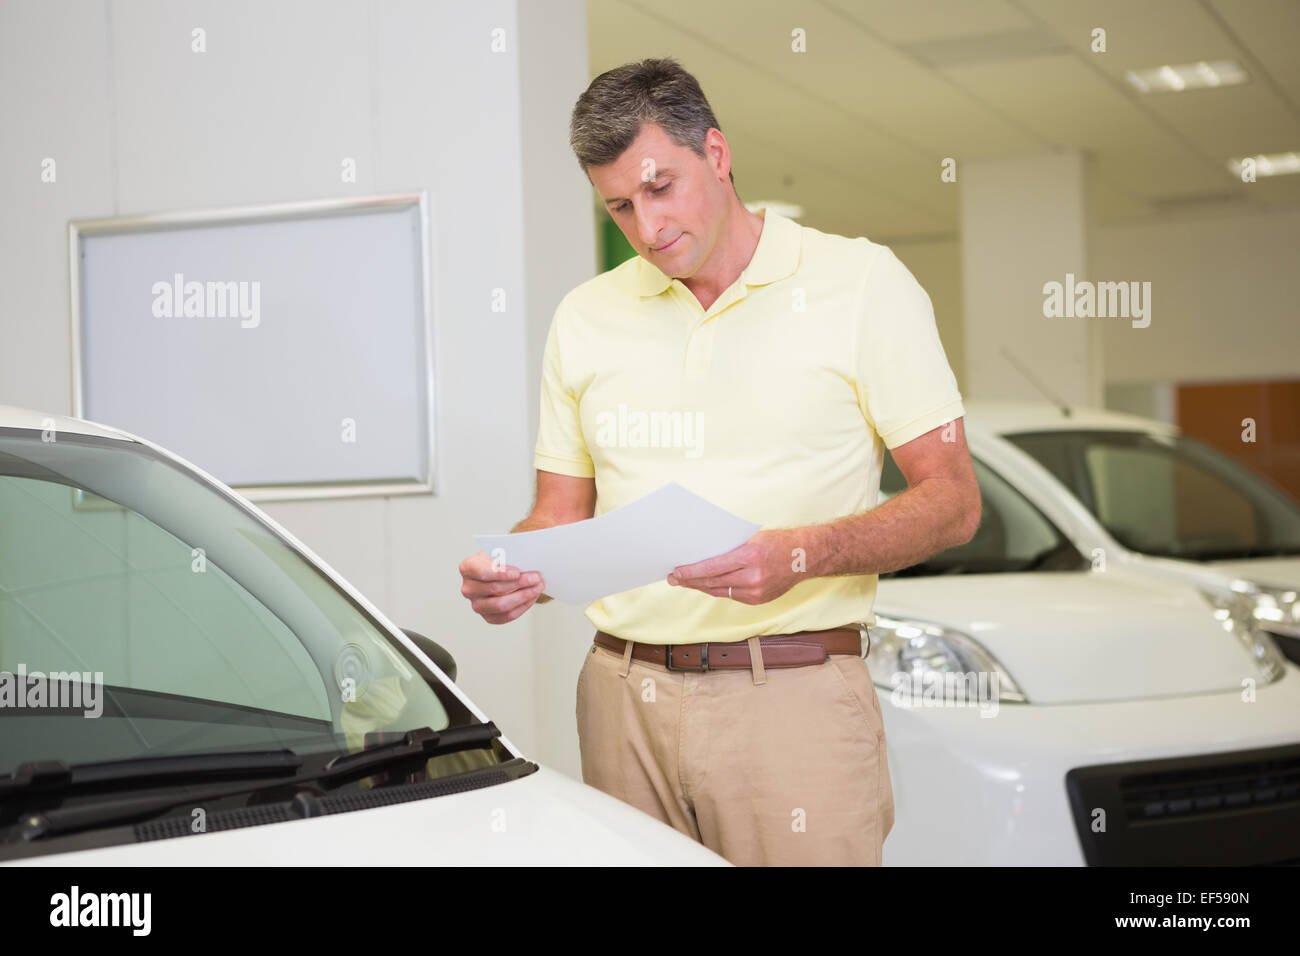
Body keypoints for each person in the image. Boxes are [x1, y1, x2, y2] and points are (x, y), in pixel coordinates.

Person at [458, 57, 980, 866]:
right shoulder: (585, 316)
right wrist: (516, 565)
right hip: (621, 699)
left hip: (794, 694)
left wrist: (798, 555)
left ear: (719, 153)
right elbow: (559, 510)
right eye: (621, 206)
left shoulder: (862, 284)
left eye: (662, 187)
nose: (647, 227)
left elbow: (952, 502)